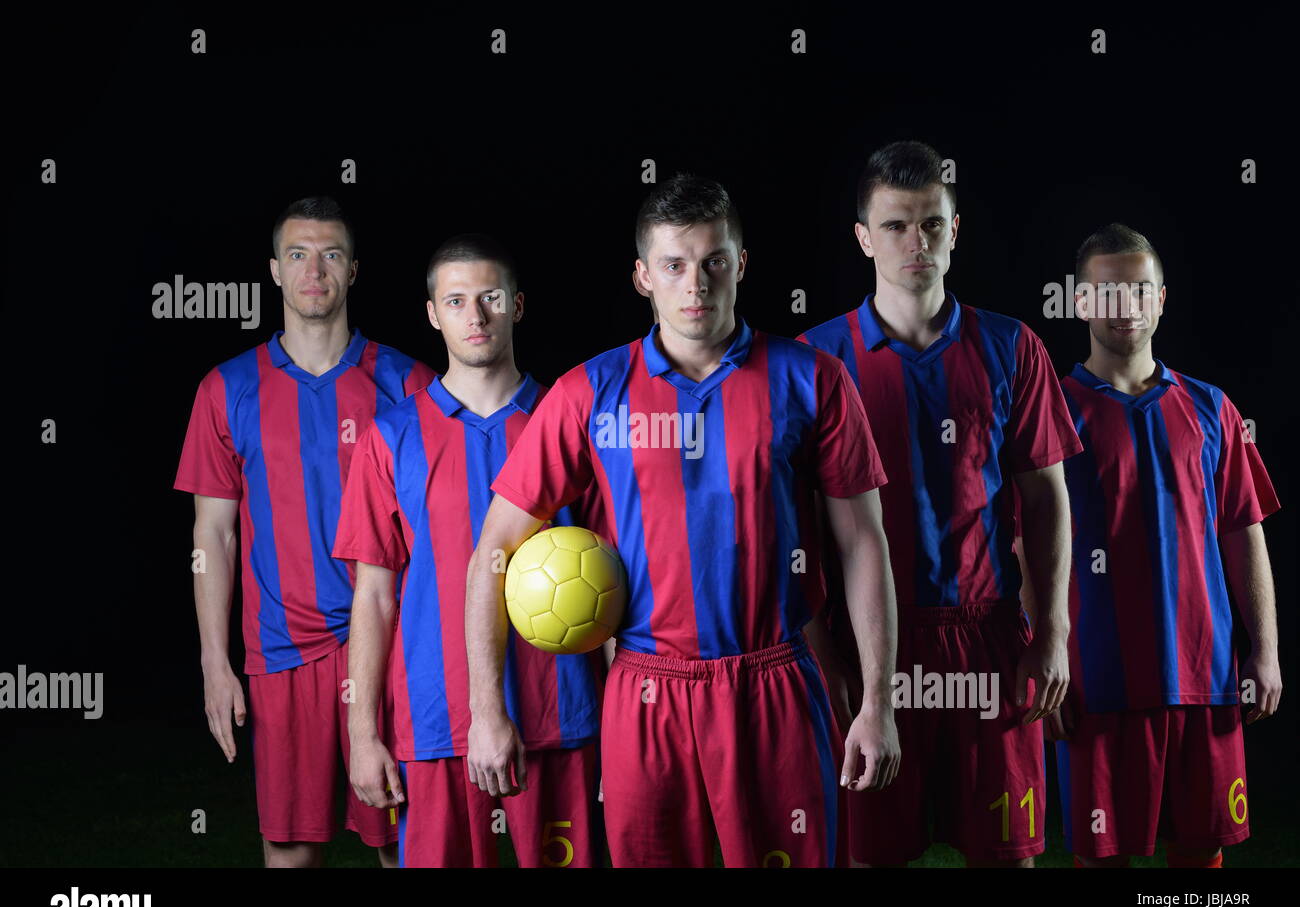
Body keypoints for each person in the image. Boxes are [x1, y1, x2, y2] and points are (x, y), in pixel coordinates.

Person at [465, 173, 899, 867]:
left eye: (713, 262)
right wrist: (486, 712)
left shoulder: (811, 378)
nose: (695, 283)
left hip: (776, 684)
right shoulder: (589, 393)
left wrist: (878, 700)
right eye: (673, 265)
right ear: (642, 276)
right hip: (646, 693)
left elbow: (863, 543)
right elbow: (494, 547)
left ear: (741, 264)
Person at [800, 141, 1080, 866]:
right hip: (870, 648)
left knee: (1007, 852)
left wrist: (1051, 629)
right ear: (864, 238)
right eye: (894, 225)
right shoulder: (813, 359)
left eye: (931, 223)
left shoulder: (1012, 345)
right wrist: (821, 651)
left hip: (986, 636)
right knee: (871, 855)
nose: (914, 241)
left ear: (954, 231)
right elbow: (789, 530)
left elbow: (1045, 498)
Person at [175, 197, 435, 867]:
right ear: (273, 270)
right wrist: (213, 661)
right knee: (290, 852)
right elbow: (214, 535)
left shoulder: (407, 383)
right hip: (280, 650)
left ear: (353, 272)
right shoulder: (226, 388)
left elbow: (443, 526)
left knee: (403, 843)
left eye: (330, 255)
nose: (313, 270)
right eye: (297, 254)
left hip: (390, 644)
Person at [333, 235, 604, 867]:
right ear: (432, 313)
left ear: (517, 304)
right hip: (435, 719)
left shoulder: (569, 421)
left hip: (558, 713)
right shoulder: (389, 437)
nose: (475, 316)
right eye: (456, 301)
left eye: (489, 297)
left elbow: (615, 581)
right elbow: (373, 596)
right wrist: (362, 731)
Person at [1018, 223, 1281, 867]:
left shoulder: (1212, 408)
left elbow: (1243, 531)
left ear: (1161, 299)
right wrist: (1041, 656)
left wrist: (1265, 651)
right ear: (1079, 303)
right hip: (1096, 679)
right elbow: (1023, 546)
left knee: (1201, 861)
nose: (1123, 306)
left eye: (1138, 290)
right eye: (1104, 292)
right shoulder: (1047, 410)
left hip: (1206, 676)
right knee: (1101, 857)